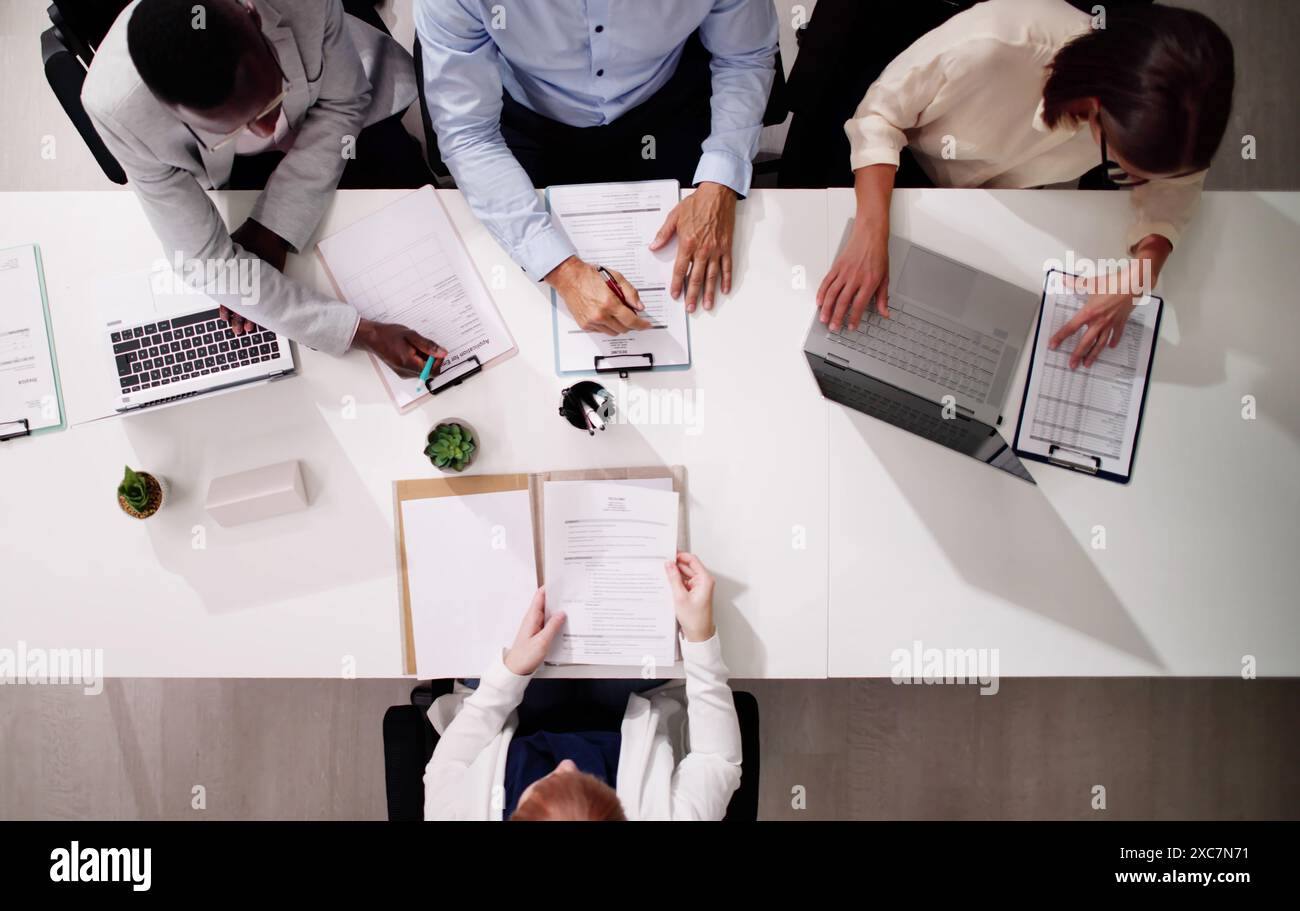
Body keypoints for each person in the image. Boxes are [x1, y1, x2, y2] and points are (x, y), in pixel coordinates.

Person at [817, 0, 1234, 369]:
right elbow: (878, 118)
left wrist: (1143, 270)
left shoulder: (1168, 119)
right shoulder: (995, 42)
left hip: (997, 207)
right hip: (896, 164)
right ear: (1097, 107)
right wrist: (870, 231)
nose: (1136, 183)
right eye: (1127, 168)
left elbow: (1179, 185)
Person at [82, 0, 446, 376]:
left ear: (254, 18)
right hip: (231, 174)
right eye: (235, 127)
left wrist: (274, 225)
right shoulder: (118, 112)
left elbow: (344, 102)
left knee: (422, 212)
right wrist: (359, 332)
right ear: (173, 112)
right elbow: (203, 260)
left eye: (272, 99)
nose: (269, 129)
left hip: (334, 118)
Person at [413, 0, 778, 332]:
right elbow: (469, 132)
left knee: (707, 313)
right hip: (529, 122)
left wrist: (720, 180)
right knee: (528, 317)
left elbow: (743, 58)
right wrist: (562, 271)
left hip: (667, 108)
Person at [423, 553, 743, 820]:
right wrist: (700, 635)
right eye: (590, 783)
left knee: (501, 570)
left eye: (548, 782)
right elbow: (716, 760)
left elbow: (447, 765)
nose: (567, 763)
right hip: (627, 710)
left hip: (509, 714)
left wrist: (511, 671)